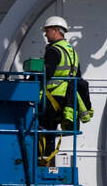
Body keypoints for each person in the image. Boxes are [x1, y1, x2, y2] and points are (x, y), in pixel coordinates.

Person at [37, 15, 93, 167]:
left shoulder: (54, 51)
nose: (45, 34)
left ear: (56, 31)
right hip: (65, 99)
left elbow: (45, 74)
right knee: (50, 131)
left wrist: (30, 79)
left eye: (47, 31)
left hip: (51, 97)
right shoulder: (72, 52)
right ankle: (46, 161)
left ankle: (40, 161)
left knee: (40, 129)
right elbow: (78, 77)